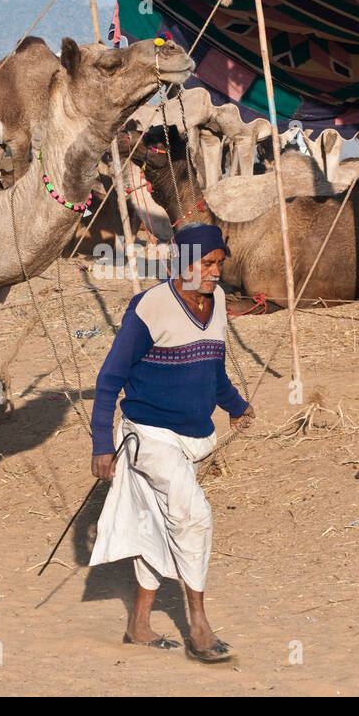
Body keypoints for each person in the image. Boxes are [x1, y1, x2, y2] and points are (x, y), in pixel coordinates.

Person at [89, 223, 254, 662]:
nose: (216, 271)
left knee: (157, 526)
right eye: (207, 263)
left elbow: (212, 370)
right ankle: (198, 625)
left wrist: (236, 405)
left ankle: (139, 626)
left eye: (220, 262)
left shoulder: (216, 302)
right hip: (148, 436)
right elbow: (109, 380)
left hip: (194, 438)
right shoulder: (148, 309)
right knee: (193, 516)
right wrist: (101, 445)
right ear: (183, 263)